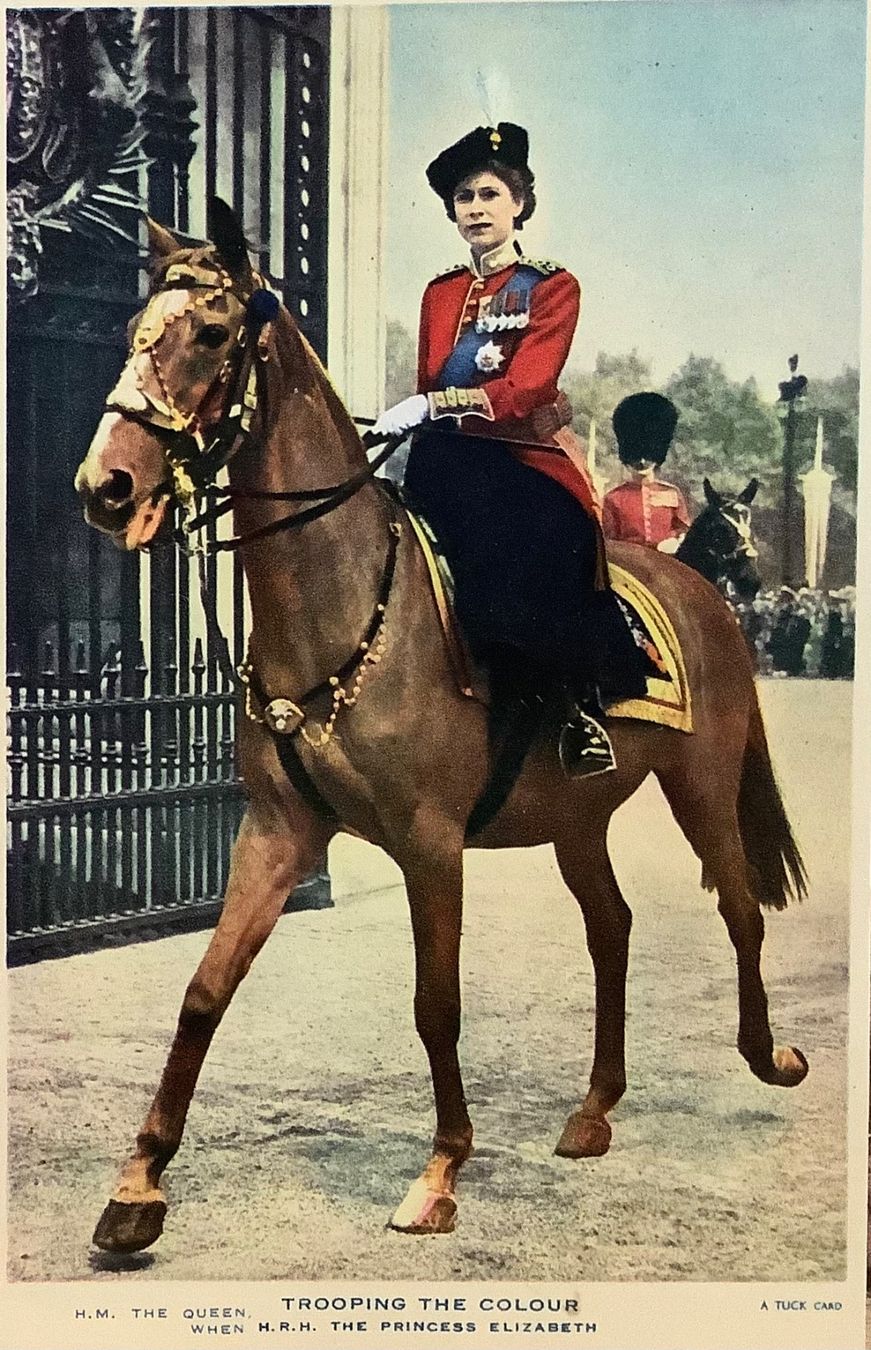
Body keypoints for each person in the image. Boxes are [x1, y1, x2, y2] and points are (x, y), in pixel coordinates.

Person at [370, 121, 649, 778]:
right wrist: (409, 420)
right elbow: (427, 381)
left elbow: (528, 386)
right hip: (443, 460)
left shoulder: (549, 286)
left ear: (518, 202)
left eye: (489, 194)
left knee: (541, 544)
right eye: (463, 198)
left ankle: (573, 702)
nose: (475, 209)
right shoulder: (439, 292)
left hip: (520, 463)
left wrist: (434, 405)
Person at [602, 393, 691, 552]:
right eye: (636, 455)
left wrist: (675, 541)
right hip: (629, 565)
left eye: (648, 455)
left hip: (668, 562)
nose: (642, 461)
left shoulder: (672, 493)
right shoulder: (613, 499)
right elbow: (609, 542)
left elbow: (683, 530)